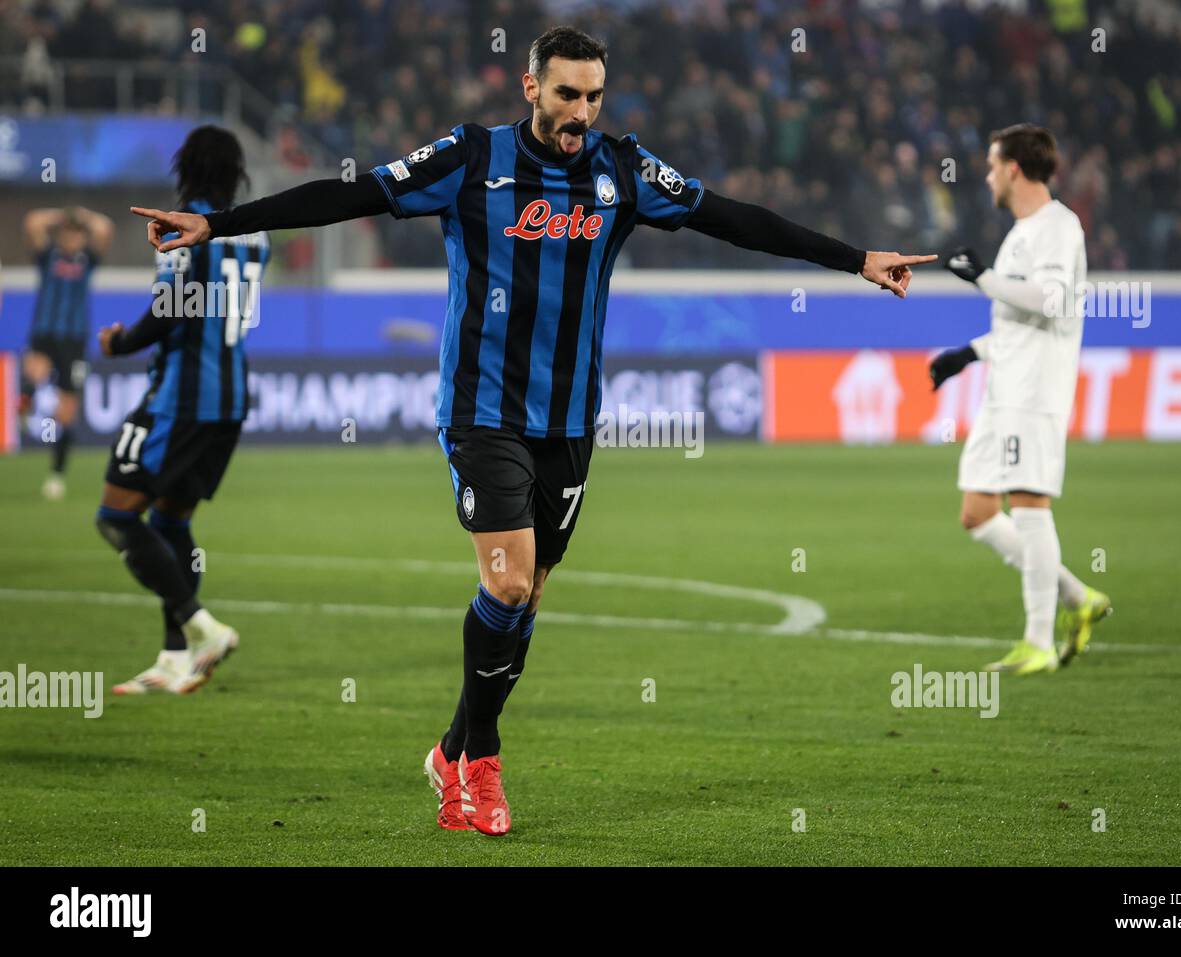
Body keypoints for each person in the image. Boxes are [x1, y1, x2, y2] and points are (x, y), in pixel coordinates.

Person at [128, 26, 936, 834]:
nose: (580, 111)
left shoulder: (623, 170)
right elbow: (355, 194)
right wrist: (219, 224)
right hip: (482, 409)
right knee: (509, 580)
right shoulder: (470, 160)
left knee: (527, 593)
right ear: (531, 88)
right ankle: (481, 759)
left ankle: (448, 747)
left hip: (570, 420)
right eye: (566, 94)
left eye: (593, 96)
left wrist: (854, 257)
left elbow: (733, 218)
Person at [932, 123, 1111, 677]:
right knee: (978, 512)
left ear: (1013, 168)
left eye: (991, 165)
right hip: (1004, 388)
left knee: (1030, 506)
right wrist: (969, 353)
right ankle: (1079, 599)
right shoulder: (1020, 232)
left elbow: (1053, 302)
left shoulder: (1058, 227)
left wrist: (983, 278)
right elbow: (1017, 322)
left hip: (1035, 393)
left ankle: (1036, 641)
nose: (987, 175)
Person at [97, 126, 269, 695]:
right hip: (229, 400)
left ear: (185, 167)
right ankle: (174, 658)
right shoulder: (254, 233)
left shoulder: (185, 222)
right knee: (170, 521)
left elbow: (171, 309)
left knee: (117, 517)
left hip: (181, 396)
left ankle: (201, 627)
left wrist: (120, 342)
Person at [20, 206, 113, 500]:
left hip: (74, 340)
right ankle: (26, 403)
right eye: (67, 233)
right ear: (61, 234)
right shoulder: (48, 256)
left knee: (67, 411)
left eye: (76, 234)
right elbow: (32, 221)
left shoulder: (88, 261)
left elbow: (105, 227)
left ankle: (56, 475)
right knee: (34, 373)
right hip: (44, 333)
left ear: (82, 237)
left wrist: (83, 216)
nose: (71, 239)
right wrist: (61, 214)